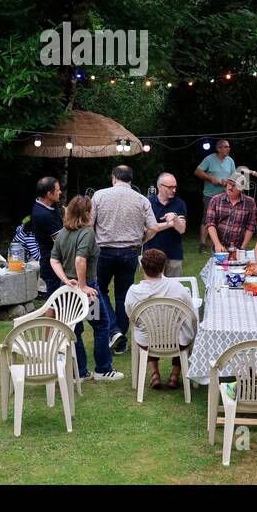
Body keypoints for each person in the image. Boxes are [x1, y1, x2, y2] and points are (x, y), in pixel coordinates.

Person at [48, 195, 123, 382]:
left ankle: (79, 372)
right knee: (101, 325)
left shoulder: (63, 232)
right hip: (86, 290)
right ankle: (103, 369)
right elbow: (80, 260)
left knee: (74, 329)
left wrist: (65, 280)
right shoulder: (87, 232)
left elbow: (54, 259)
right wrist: (83, 285)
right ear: (88, 212)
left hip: (66, 291)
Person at [90, 164, 158, 353]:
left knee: (98, 291)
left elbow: (89, 223)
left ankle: (112, 331)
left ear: (114, 177)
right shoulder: (141, 199)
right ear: (131, 179)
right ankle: (119, 335)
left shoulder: (99, 196)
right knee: (123, 295)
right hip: (130, 251)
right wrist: (142, 239)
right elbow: (153, 227)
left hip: (104, 250)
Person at [124, 248, 197, 391]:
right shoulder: (178, 288)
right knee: (184, 329)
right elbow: (191, 313)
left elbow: (131, 315)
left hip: (148, 342)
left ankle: (155, 373)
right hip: (177, 342)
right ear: (163, 267)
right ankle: (175, 375)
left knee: (149, 329)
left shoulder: (133, 291)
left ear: (142, 267)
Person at [194, 139, 235, 251]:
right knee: (207, 219)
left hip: (225, 195)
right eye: (226, 147)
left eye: (228, 146)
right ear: (219, 149)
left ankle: (216, 243)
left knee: (222, 219)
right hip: (210, 195)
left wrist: (228, 182)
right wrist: (211, 178)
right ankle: (202, 244)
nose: (228, 149)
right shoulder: (209, 159)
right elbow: (197, 171)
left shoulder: (230, 160)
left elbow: (233, 177)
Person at [204, 171, 256, 254]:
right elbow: (210, 223)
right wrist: (217, 244)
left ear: (241, 188)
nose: (230, 187)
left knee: (240, 267)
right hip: (220, 245)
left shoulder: (250, 202)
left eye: (234, 185)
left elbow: (250, 226)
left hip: (239, 246)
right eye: (229, 183)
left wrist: (243, 247)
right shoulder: (215, 200)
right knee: (219, 267)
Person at [147, 172, 188, 276]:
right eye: (170, 187)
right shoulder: (148, 203)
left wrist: (175, 219)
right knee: (154, 288)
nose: (174, 190)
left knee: (173, 289)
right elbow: (147, 229)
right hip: (152, 255)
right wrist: (169, 224)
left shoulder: (179, 203)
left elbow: (182, 229)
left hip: (174, 254)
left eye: (175, 187)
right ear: (159, 186)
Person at [32, 176, 65, 290]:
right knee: (57, 303)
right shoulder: (43, 215)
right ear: (49, 194)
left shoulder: (48, 206)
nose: (60, 192)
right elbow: (61, 240)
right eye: (57, 190)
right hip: (52, 265)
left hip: (54, 262)